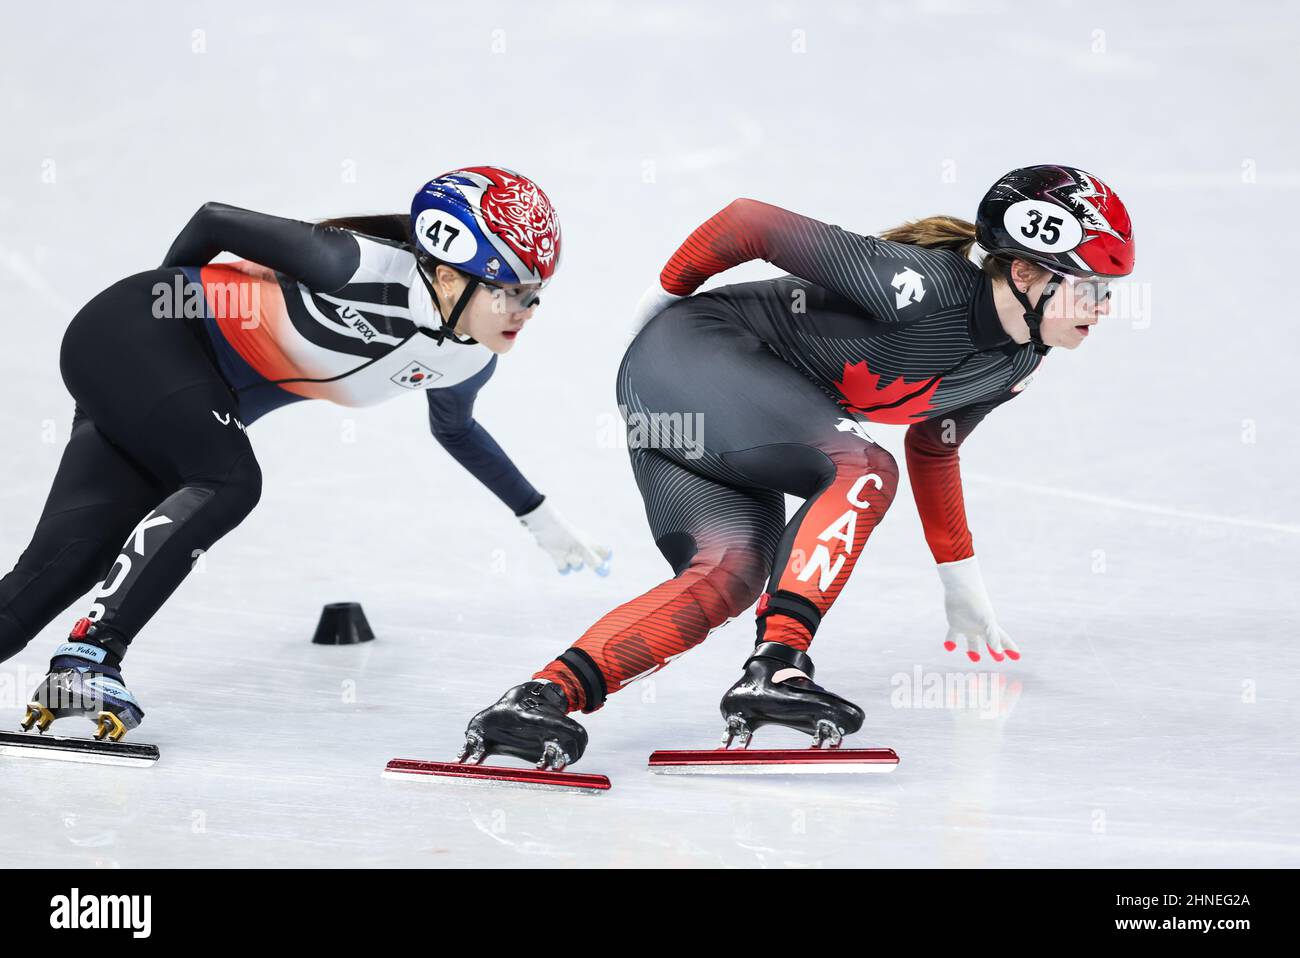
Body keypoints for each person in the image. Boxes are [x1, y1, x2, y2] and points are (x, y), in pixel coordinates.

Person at [456, 165, 1135, 771]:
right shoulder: (923, 286)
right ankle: (777, 668)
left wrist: (960, 582)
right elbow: (750, 222)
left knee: (728, 576)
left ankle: (539, 698)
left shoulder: (1015, 365)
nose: (1105, 309)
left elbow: (934, 446)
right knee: (861, 466)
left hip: (724, 416)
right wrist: (659, 302)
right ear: (1025, 273)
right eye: (1092, 287)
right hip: (693, 357)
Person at [0, 165, 610, 742]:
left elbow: (457, 433)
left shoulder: (469, 357)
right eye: (510, 291)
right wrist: (165, 313)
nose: (526, 312)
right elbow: (213, 219)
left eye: (537, 294)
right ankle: (88, 660)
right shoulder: (355, 263)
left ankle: (72, 658)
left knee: (61, 567)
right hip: (137, 332)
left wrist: (540, 518)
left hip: (177, 395)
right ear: (448, 275)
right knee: (230, 480)